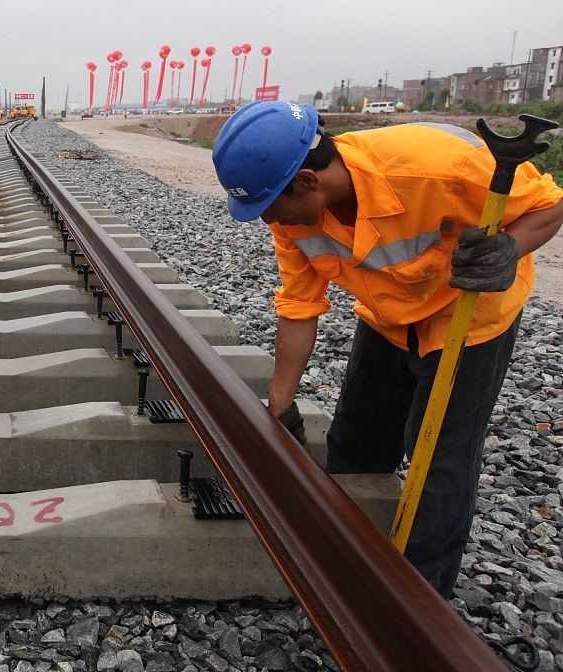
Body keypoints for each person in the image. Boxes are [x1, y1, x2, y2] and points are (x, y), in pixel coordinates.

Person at [211, 101, 563, 597]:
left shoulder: (437, 166)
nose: (269, 219)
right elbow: (298, 308)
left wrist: (511, 247)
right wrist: (280, 406)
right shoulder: (292, 218)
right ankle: (350, 562)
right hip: (387, 317)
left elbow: (549, 203)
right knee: (354, 441)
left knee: (440, 463)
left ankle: (422, 602)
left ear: (309, 183)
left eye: (270, 206)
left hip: (467, 319)